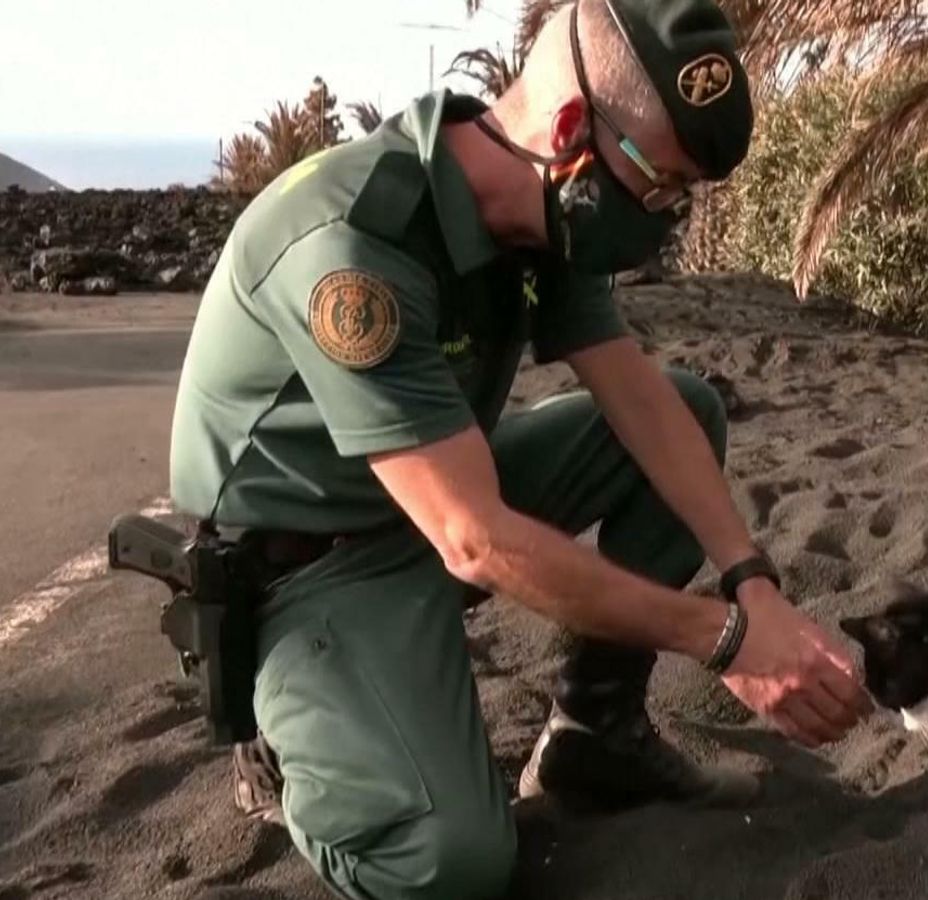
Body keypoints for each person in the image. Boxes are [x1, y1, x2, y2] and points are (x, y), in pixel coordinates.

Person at [166, 0, 873, 896]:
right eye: (660, 186)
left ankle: (595, 735)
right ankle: (288, 751)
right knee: (448, 860)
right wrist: (729, 642)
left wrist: (753, 581)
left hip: (440, 493)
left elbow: (637, 401)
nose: (667, 218)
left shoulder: (554, 211)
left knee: (686, 412)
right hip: (309, 565)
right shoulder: (353, 241)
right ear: (572, 129)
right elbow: (474, 538)